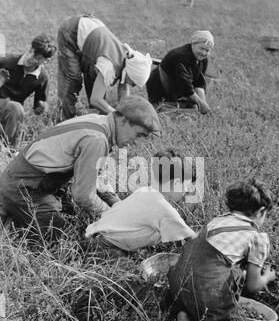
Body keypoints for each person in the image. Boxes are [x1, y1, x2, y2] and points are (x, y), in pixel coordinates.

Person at [0, 96, 161, 242]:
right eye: (139, 135)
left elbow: (98, 174)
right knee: (67, 240)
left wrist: (117, 204)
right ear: (124, 120)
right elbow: (83, 195)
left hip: (28, 181)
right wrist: (112, 214)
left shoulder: (100, 123)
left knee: (71, 215)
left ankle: (15, 215)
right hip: (24, 188)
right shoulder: (97, 140)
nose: (136, 142)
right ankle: (14, 221)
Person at [167, 179, 276, 321]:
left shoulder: (217, 220)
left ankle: (183, 317)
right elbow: (253, 286)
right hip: (204, 292)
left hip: (177, 286)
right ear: (261, 211)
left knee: (206, 293)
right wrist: (267, 277)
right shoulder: (258, 237)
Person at [85, 148, 197, 253]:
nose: (186, 191)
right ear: (175, 184)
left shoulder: (144, 191)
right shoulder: (163, 209)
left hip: (94, 233)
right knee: (126, 266)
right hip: (105, 245)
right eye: (185, 186)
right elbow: (192, 239)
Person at [57, 14, 153, 120]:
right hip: (70, 31)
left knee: (95, 75)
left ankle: (94, 115)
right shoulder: (109, 66)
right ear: (130, 73)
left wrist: (125, 112)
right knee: (73, 79)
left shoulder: (129, 59)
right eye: (133, 83)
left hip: (90, 29)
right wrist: (118, 116)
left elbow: (124, 87)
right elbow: (96, 100)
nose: (132, 86)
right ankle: (64, 118)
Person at [0, 34, 57, 148]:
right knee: (15, 108)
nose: (30, 57)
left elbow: (38, 108)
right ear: (28, 47)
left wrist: (41, 108)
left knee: (16, 109)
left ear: (46, 61)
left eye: (37, 57)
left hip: (12, 114)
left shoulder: (42, 77)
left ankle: (7, 150)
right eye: (30, 51)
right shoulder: (7, 61)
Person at [146, 30, 214, 114]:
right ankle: (159, 107)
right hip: (160, 89)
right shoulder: (180, 56)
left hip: (177, 91)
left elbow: (199, 83)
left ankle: (180, 107)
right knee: (192, 109)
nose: (204, 53)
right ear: (193, 44)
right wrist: (201, 105)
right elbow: (186, 88)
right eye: (202, 48)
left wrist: (204, 104)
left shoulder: (203, 60)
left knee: (194, 106)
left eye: (207, 51)